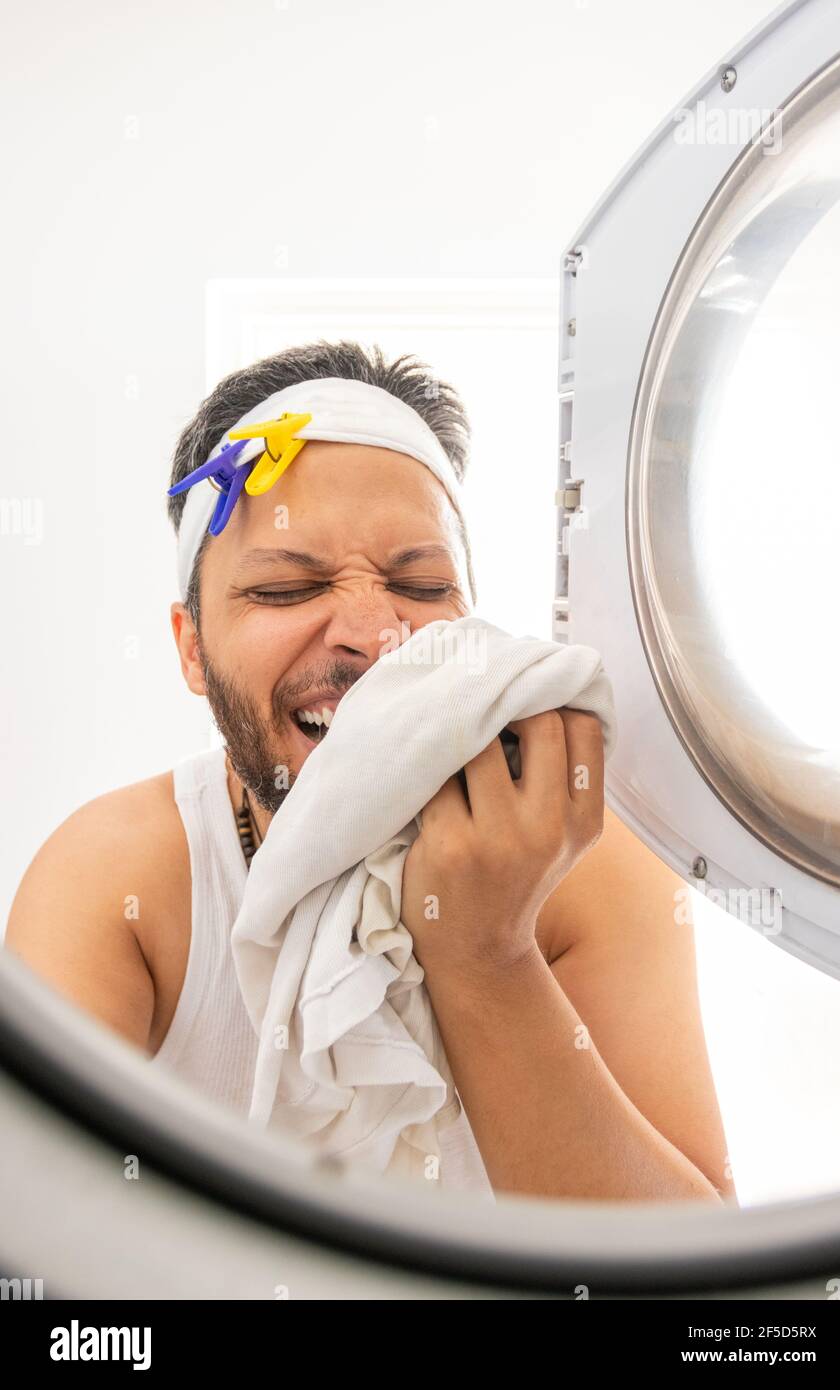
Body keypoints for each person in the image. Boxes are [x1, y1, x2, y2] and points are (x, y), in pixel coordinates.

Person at [5, 338, 735, 1203]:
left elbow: (701, 1283)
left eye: (420, 585)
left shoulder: (586, 859)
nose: (373, 634)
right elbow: (40, 1239)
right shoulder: (117, 881)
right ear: (192, 649)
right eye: (286, 590)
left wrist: (486, 954)